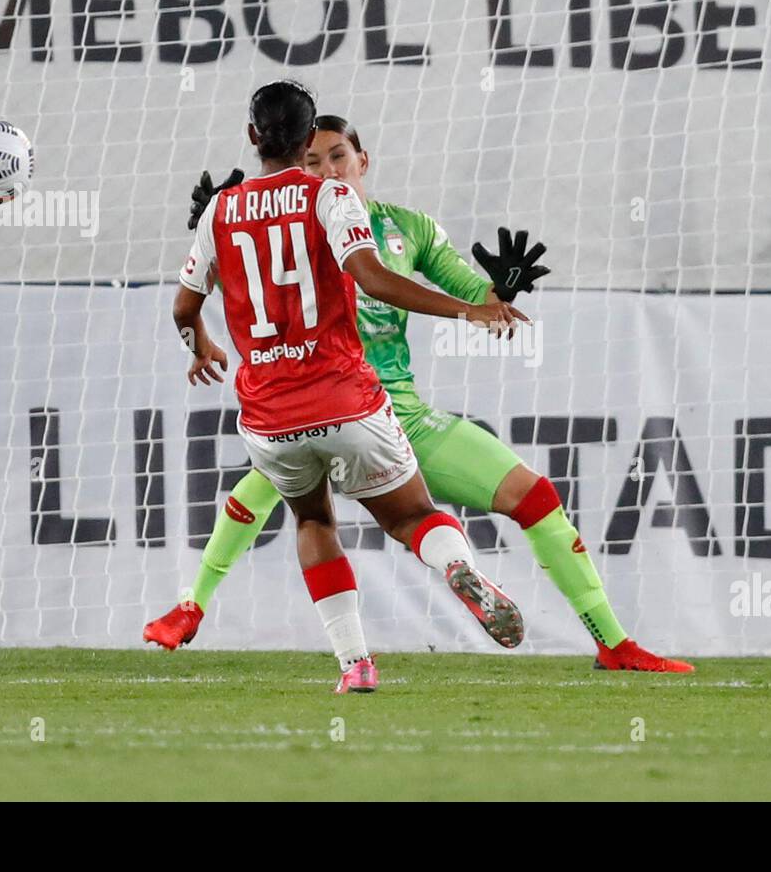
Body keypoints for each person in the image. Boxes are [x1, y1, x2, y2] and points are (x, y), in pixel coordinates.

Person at [146, 114, 693, 672]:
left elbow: (465, 286)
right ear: (299, 165)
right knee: (268, 500)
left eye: (338, 156)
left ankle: (612, 642)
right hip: (333, 400)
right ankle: (192, 607)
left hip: (369, 409)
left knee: (532, 499)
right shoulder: (303, 213)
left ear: (364, 160)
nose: (328, 168)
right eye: (313, 161)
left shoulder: (406, 228)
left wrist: (495, 290)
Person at [167, 79, 527, 693]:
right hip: (345, 400)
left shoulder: (219, 211)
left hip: (268, 420)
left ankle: (355, 665)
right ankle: (459, 566)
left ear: (253, 137)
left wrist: (201, 346)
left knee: (313, 523)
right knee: (412, 516)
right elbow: (375, 279)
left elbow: (183, 308)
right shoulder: (330, 195)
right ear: (310, 140)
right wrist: (469, 310)